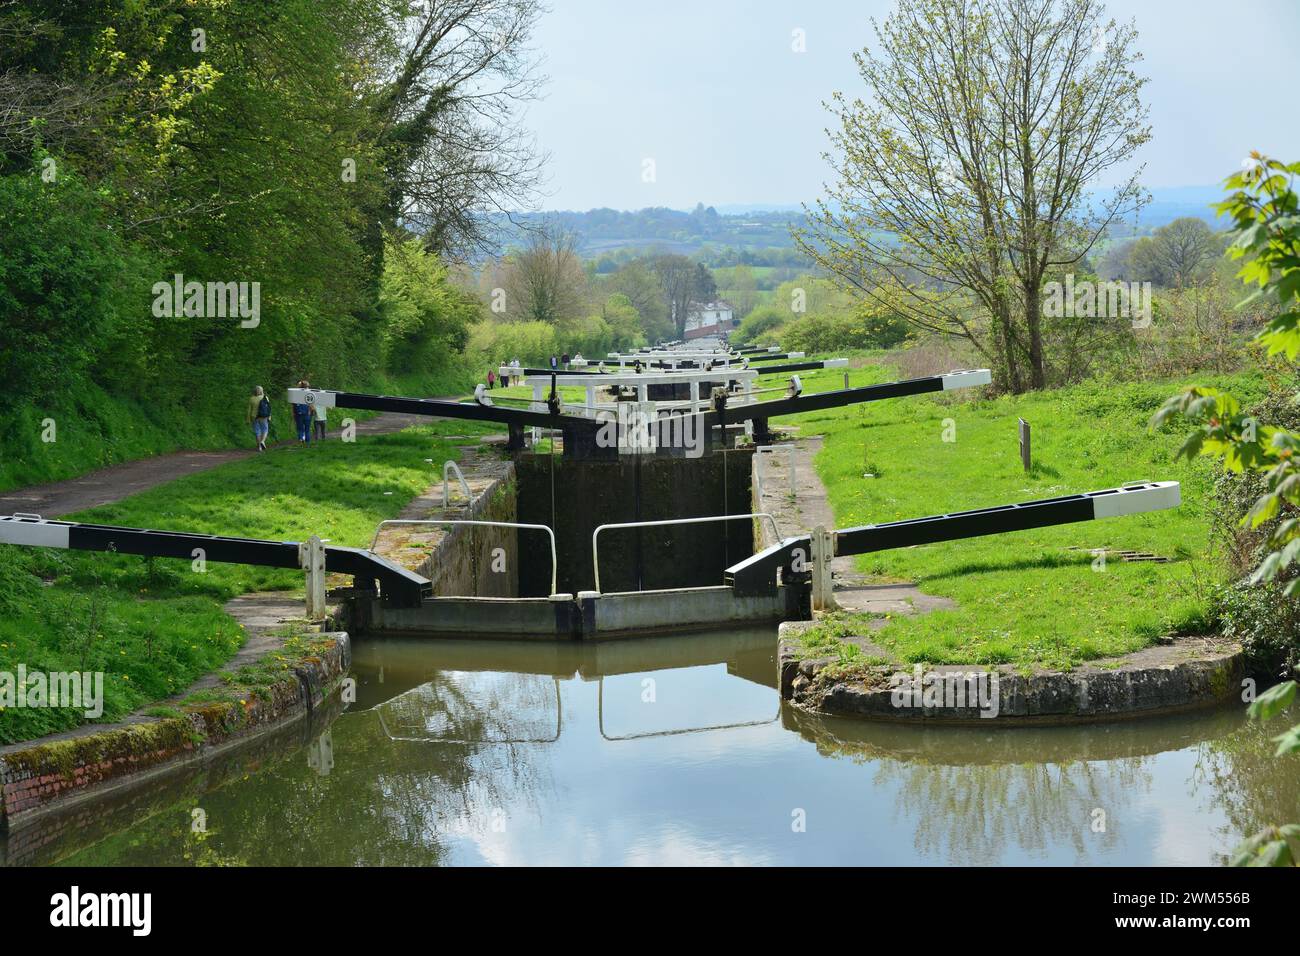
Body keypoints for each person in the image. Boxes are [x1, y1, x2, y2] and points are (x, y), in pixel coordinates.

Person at [247, 385, 271, 452]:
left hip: (254, 417)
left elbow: (249, 410)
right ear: (262, 391)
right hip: (263, 416)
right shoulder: (265, 397)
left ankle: (259, 447)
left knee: (257, 431)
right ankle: (262, 441)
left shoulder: (251, 398)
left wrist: (248, 419)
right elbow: (268, 408)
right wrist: (269, 416)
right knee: (265, 429)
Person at [292, 379, 313, 445]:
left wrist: (293, 413)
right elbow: (311, 405)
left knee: (300, 429)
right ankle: (308, 443)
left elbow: (293, 404)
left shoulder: (296, 393)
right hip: (307, 414)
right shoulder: (309, 393)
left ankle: (301, 439)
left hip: (298, 414)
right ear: (307, 386)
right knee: (307, 429)